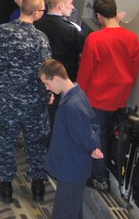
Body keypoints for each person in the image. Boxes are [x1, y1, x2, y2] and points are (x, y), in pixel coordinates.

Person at [0, 0, 52, 204]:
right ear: (38, 13)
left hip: (8, 101)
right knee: (35, 143)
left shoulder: (2, 32)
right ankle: (38, 185)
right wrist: (46, 95)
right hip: (34, 103)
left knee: (6, 142)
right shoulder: (40, 39)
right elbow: (47, 72)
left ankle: (5, 186)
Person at [77, 0, 139, 192]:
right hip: (120, 98)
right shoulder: (132, 38)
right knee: (107, 136)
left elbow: (86, 70)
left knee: (98, 139)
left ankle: (100, 177)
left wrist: (79, 96)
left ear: (98, 16)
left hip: (98, 98)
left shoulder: (95, 39)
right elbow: (134, 68)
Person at [39, 59, 102, 219]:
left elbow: (86, 136)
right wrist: (93, 147)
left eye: (47, 84)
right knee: (72, 210)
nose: (47, 88)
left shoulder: (72, 106)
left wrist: (93, 146)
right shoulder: (78, 95)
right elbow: (93, 123)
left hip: (71, 168)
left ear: (57, 79)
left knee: (64, 212)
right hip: (72, 166)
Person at [34, 0, 85, 81]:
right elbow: (85, 51)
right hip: (64, 77)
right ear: (61, 6)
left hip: (38, 75)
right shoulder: (72, 30)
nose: (72, 7)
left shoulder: (35, 25)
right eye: (70, 3)